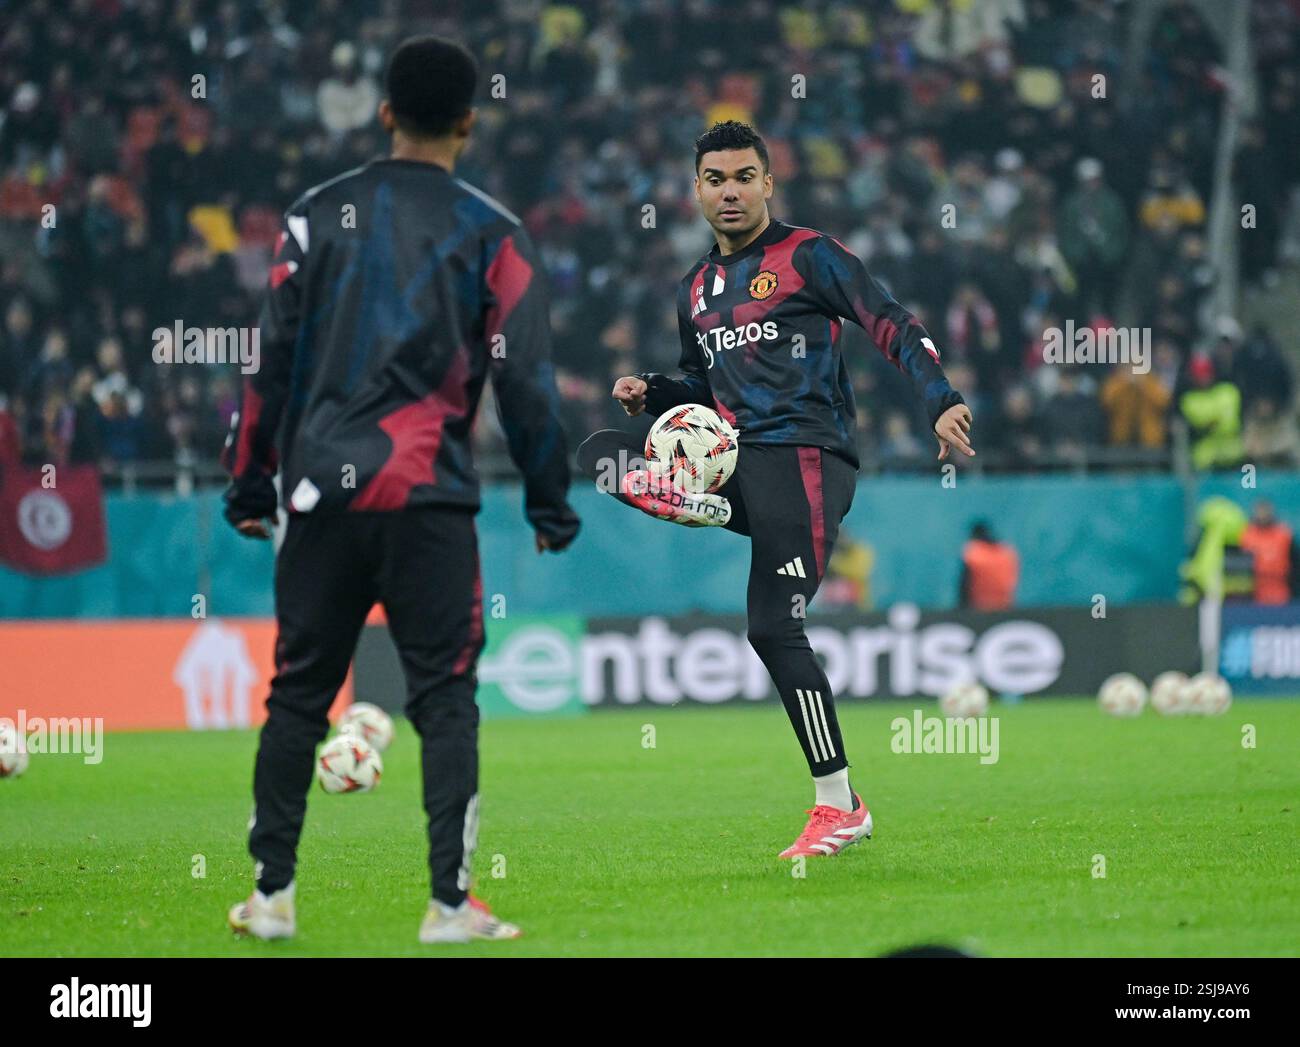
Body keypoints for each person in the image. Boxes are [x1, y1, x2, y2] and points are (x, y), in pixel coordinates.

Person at [221, 36, 579, 944]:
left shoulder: (311, 217)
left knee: (298, 695)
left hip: (318, 500)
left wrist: (249, 483)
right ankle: (450, 906)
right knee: (447, 699)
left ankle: (271, 898)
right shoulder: (494, 231)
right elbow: (527, 380)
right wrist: (549, 498)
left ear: (384, 112)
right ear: (468, 119)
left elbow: (267, 365)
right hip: (428, 499)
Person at [577, 121, 972, 860]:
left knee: (771, 627)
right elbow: (703, 384)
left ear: (768, 184)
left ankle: (838, 804)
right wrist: (654, 390)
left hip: (807, 460)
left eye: (744, 177)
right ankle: (717, 503)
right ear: (696, 190)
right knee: (600, 454)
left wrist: (938, 397)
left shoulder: (810, 256)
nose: (730, 191)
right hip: (739, 458)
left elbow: (889, 321)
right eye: (716, 179)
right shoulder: (694, 288)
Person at [958, 521, 1019, 611]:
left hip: (979, 607)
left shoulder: (973, 552)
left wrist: (962, 608)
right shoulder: (1007, 552)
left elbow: (964, 584)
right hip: (1005, 606)